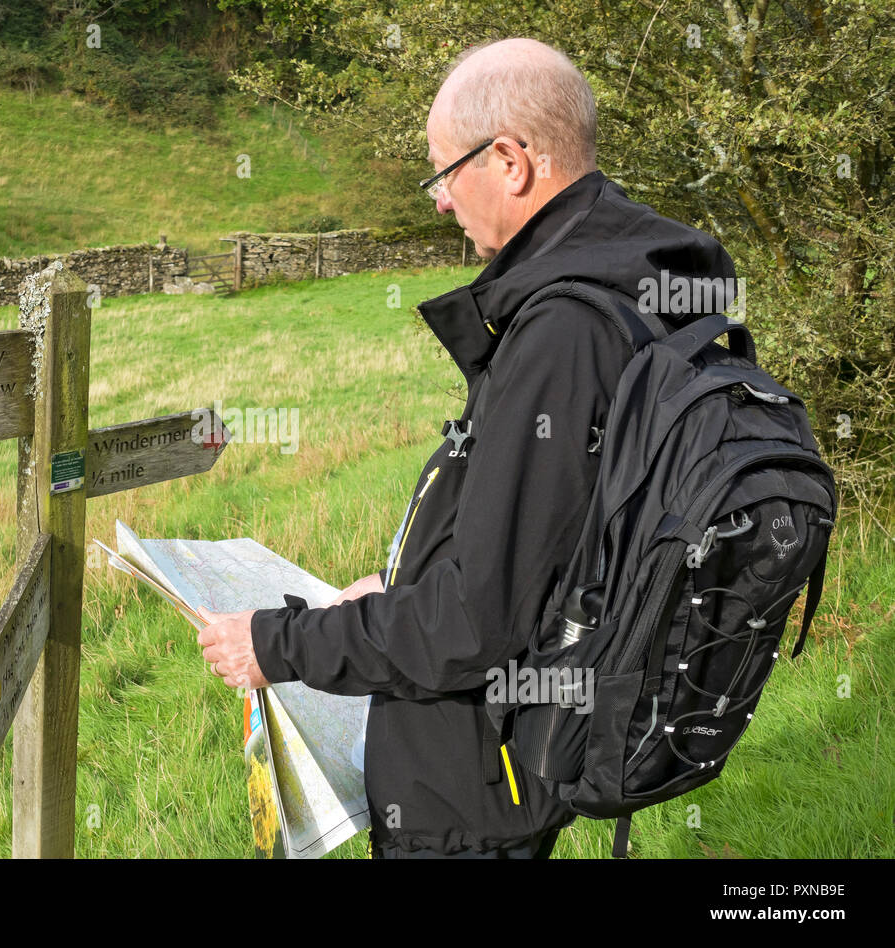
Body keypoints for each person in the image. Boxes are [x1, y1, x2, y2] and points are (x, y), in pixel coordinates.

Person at [198, 36, 737, 857]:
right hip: (498, 765)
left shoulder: (565, 330)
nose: (442, 202)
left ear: (512, 161)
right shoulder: (625, 285)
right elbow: (547, 533)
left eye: (445, 172)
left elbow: (471, 625)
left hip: (469, 788)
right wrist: (393, 582)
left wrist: (276, 644)